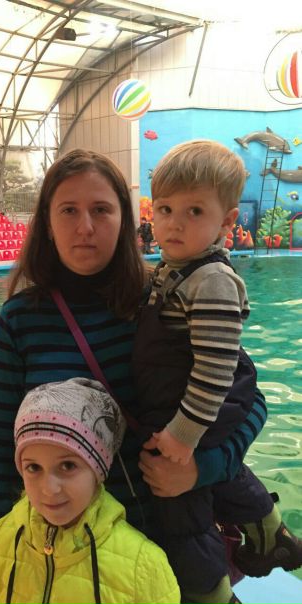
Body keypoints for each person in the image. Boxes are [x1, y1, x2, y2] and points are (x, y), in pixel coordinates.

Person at [0, 148, 269, 604]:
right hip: (63, 559)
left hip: (165, 542)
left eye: (101, 210)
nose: (85, 226)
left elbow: (249, 402)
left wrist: (199, 470)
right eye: (69, 210)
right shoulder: (21, 320)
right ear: (48, 222)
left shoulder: (166, 298)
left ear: (125, 220)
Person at [133, 140, 302, 603]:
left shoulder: (211, 281)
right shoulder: (175, 269)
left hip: (193, 414)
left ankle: (212, 594)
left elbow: (214, 369)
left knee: (182, 515)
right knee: (216, 479)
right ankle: (268, 532)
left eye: (194, 211)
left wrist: (183, 435)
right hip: (185, 409)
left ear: (226, 222)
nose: (174, 223)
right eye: (165, 209)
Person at [0, 377, 180, 604]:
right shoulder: (1, 539)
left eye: (68, 466)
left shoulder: (144, 566)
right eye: (33, 467)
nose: (49, 489)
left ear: (98, 471)